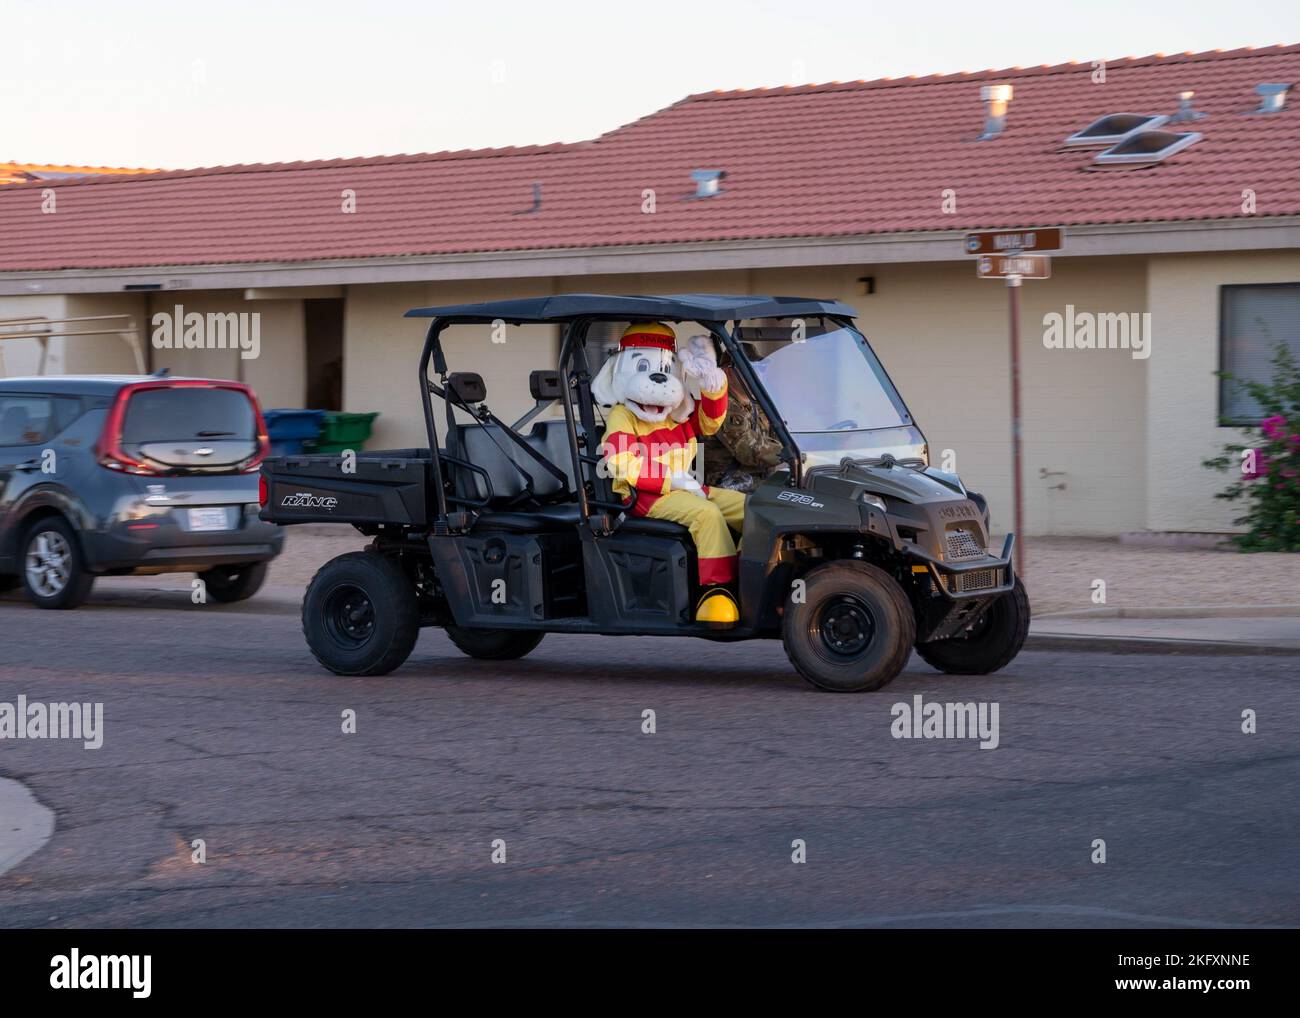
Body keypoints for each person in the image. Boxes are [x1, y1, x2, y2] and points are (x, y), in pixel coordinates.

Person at [591, 322, 744, 625]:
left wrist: (714, 386)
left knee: (751, 507)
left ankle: (747, 573)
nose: (657, 377)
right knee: (707, 515)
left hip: (686, 488)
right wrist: (671, 480)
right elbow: (620, 462)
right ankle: (717, 590)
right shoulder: (623, 414)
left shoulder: (678, 411)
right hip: (646, 496)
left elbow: (710, 424)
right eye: (643, 366)